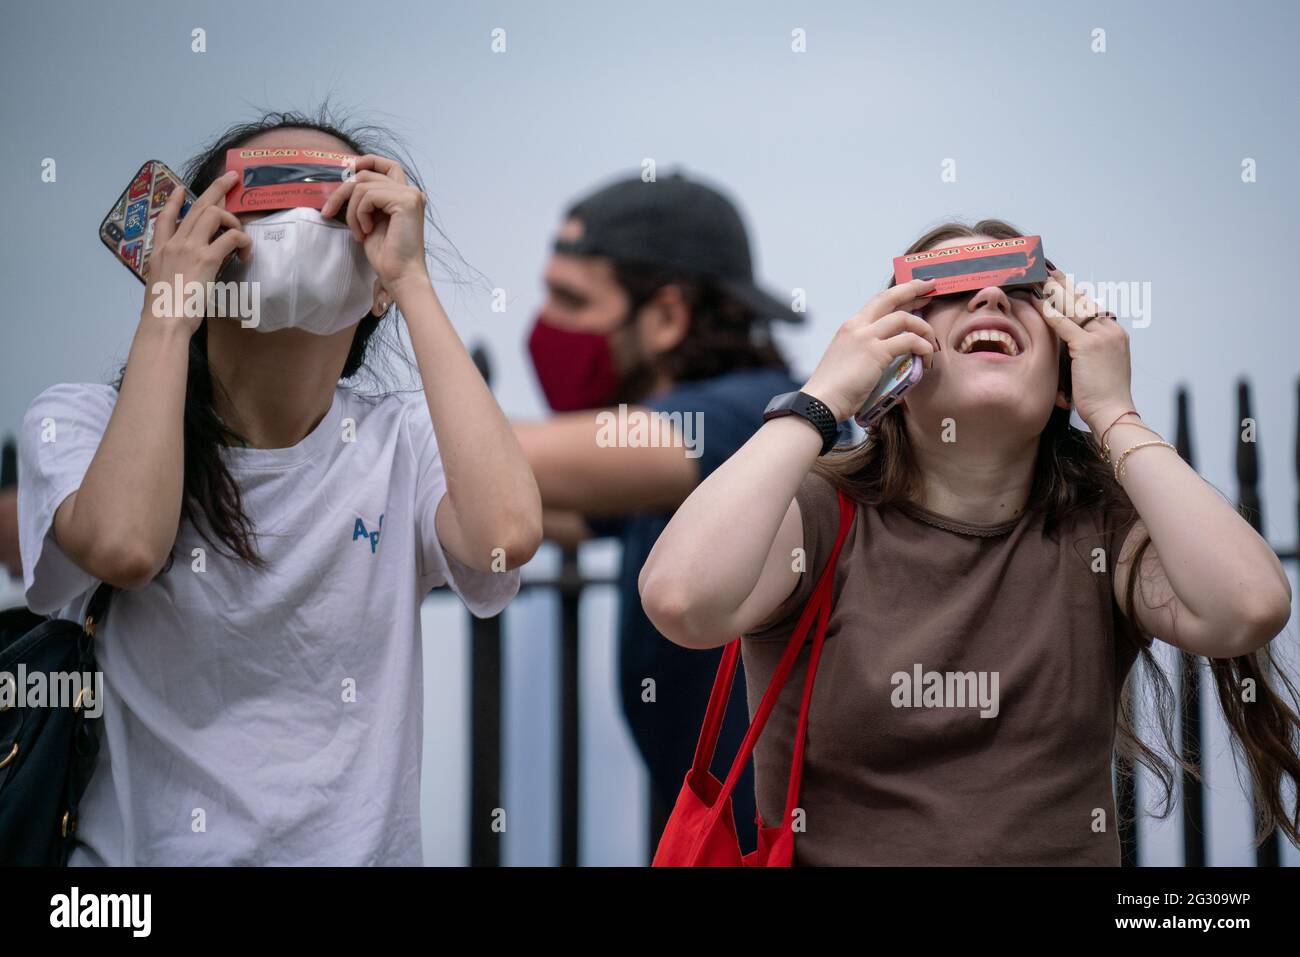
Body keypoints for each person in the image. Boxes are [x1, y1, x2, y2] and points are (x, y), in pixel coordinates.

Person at [639, 219, 1300, 865]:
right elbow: (680, 598)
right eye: (947, 286)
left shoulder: (1099, 528)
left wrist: (1115, 414)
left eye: (1023, 289)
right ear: (896, 366)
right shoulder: (820, 515)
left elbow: (1248, 606)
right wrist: (823, 397)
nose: (988, 296)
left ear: (1064, 368)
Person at [16, 110, 542, 865]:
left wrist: (412, 281)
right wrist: (168, 315)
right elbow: (127, 543)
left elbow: (505, 538)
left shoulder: (401, 440)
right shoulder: (80, 423)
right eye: (260, 196)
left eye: (340, 205)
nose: (301, 219)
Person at [514, 172, 805, 850]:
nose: (547, 326)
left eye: (571, 300)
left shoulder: (759, 420)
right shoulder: (659, 476)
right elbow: (511, 503)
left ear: (669, 315)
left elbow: (507, 459)